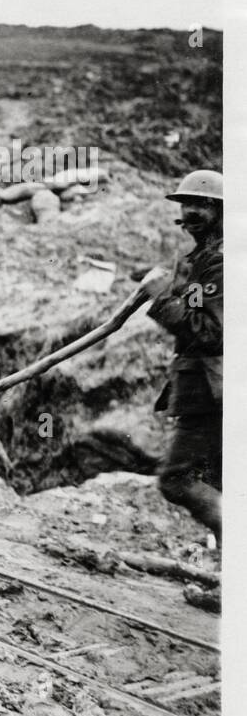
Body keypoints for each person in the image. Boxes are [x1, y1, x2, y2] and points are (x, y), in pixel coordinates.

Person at [142, 169, 222, 545]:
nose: (190, 212)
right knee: (216, 482)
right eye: (186, 204)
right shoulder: (204, 258)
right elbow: (199, 313)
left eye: (201, 205)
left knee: (177, 479)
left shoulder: (220, 262)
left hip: (210, 391)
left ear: (222, 211)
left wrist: (163, 300)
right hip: (205, 389)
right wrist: (173, 290)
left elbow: (212, 334)